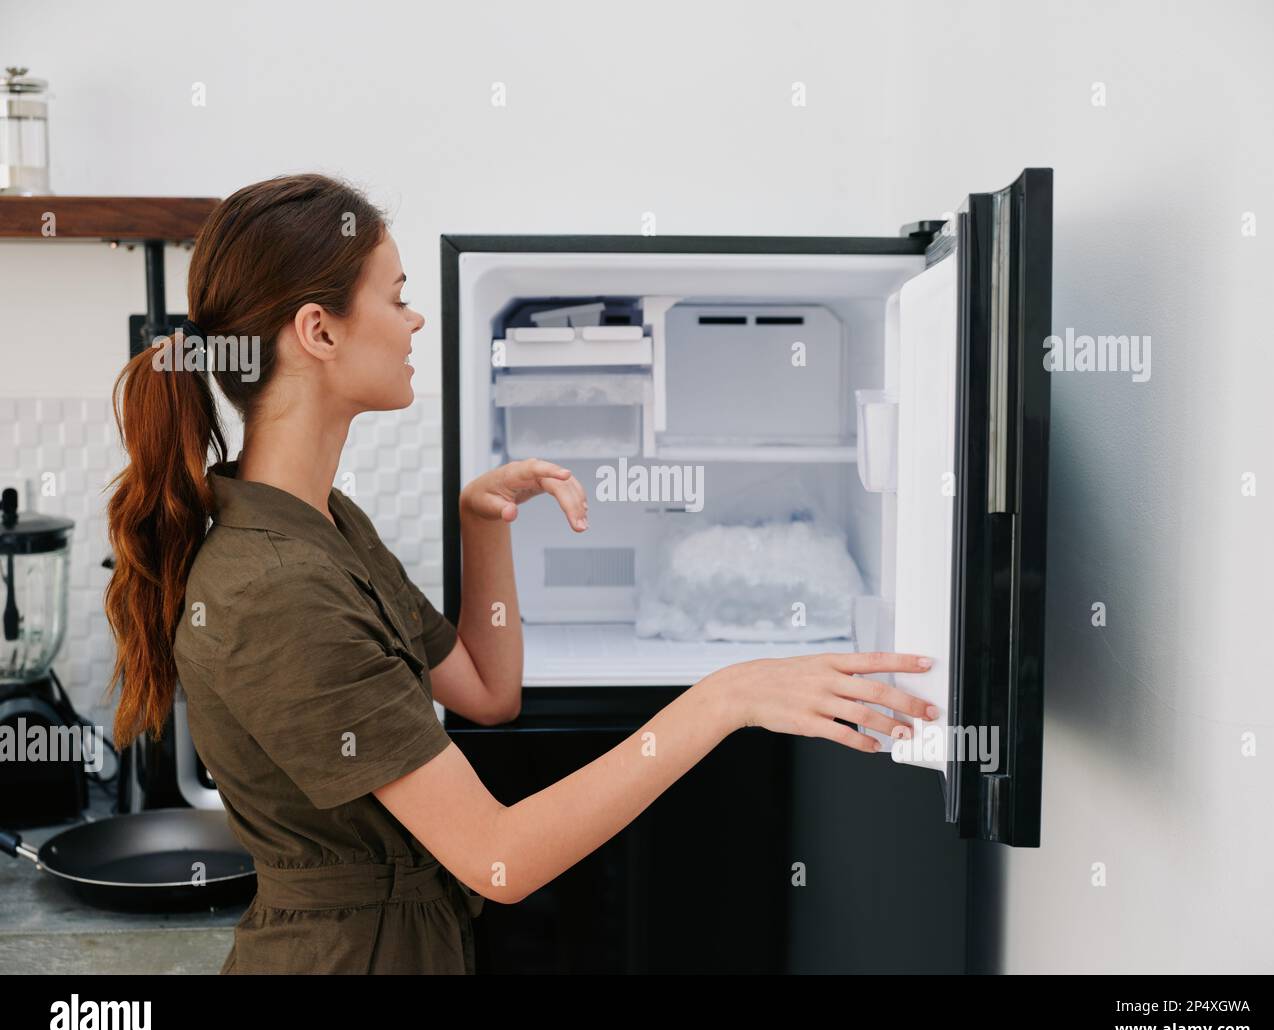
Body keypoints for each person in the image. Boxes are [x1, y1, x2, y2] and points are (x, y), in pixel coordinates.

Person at [103, 172, 937, 975]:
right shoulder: (277, 587)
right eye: (395, 298)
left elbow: (488, 693)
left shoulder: (327, 524)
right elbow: (497, 862)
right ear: (319, 332)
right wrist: (725, 699)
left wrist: (482, 525)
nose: (416, 319)